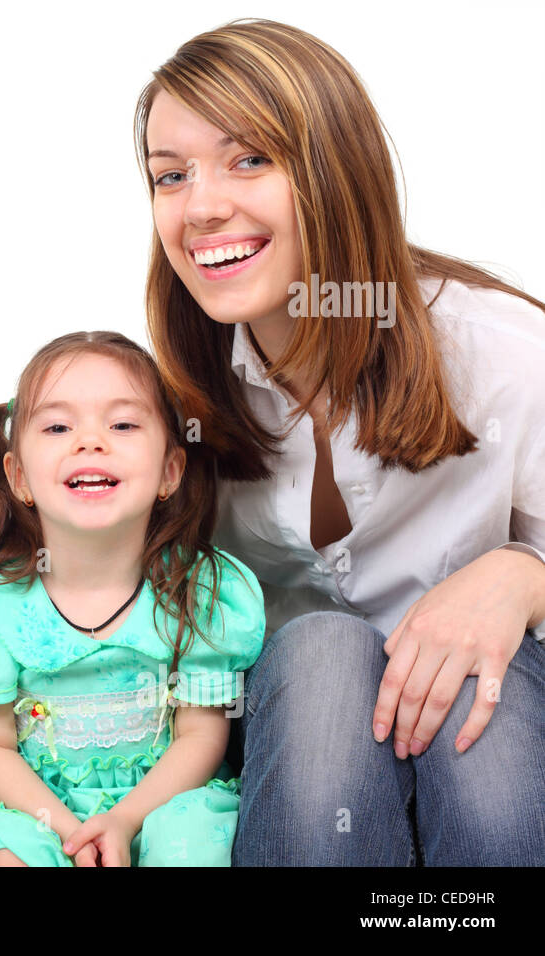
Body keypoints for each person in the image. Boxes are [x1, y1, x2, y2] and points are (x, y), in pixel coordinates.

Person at [136, 18, 545, 864]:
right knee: (322, 649)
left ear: (334, 170)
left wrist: (520, 576)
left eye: (250, 159)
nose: (202, 205)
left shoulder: (502, 350)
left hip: (494, 714)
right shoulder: (174, 398)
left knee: (479, 712)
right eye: (170, 175)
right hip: (300, 750)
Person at [0, 331, 265, 866]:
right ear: (20, 477)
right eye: (58, 426)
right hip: (40, 810)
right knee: (6, 852)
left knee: (189, 844)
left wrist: (124, 822)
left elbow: (200, 736)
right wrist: (72, 834)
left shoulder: (201, 594)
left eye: (122, 424)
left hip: (165, 805)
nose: (90, 441)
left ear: (170, 471)